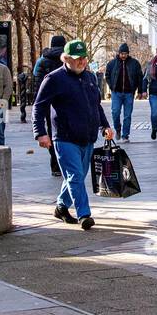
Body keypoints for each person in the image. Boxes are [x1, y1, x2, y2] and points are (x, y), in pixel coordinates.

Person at [33, 39, 113, 231]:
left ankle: (61, 206)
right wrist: (40, 133)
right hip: (64, 137)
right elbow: (39, 106)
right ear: (66, 58)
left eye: (84, 58)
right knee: (75, 175)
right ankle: (84, 214)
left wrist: (105, 126)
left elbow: (96, 105)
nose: (82, 62)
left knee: (76, 176)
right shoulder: (53, 79)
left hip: (87, 136)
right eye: (77, 58)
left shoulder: (90, 78)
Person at [33, 34, 67, 176]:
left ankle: (55, 164)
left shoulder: (42, 61)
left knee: (51, 130)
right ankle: (65, 162)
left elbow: (36, 79)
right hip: (66, 100)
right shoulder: (67, 59)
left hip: (47, 102)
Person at [104, 43, 143, 142]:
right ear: (119, 53)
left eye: (125, 53)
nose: (123, 55)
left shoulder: (134, 63)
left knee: (127, 115)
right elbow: (107, 75)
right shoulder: (112, 63)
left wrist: (140, 91)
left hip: (129, 93)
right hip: (116, 93)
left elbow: (140, 77)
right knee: (115, 112)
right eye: (122, 53)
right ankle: (118, 129)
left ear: (128, 53)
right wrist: (112, 86)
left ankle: (125, 135)